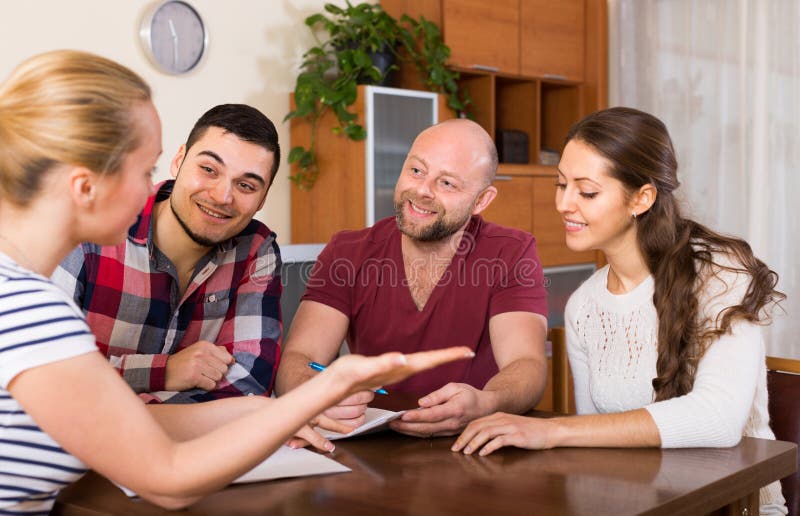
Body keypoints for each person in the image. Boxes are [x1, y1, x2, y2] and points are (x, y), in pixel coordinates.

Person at [0, 49, 473, 513]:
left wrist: (266, 413)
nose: (151, 190)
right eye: (145, 170)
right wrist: (328, 386)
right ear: (86, 186)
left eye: (246, 184)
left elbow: (117, 416)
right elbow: (169, 482)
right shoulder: (32, 311)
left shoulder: (20, 295)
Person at [452, 107, 787, 514]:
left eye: (586, 191)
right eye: (561, 185)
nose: (564, 203)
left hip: (734, 508)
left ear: (641, 198)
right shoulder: (584, 307)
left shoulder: (720, 273)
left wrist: (551, 429)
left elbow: (718, 419)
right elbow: (593, 447)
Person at [275, 119, 549, 437]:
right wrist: (315, 395)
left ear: (481, 201)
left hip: (471, 443)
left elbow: (526, 365)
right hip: (371, 444)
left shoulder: (511, 252)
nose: (422, 191)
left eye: (447, 183)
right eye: (416, 171)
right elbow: (299, 358)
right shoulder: (346, 252)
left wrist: (487, 402)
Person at [52, 103, 283, 403]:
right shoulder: (89, 228)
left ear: (262, 199)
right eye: (209, 170)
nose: (222, 196)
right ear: (178, 161)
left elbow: (249, 383)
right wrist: (163, 372)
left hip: (184, 446)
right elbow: (45, 374)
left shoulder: (256, 249)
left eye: (246, 185)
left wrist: (136, 414)